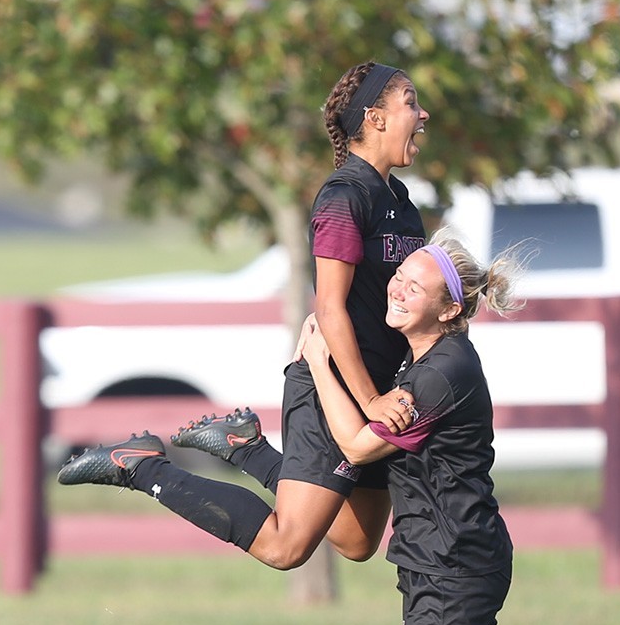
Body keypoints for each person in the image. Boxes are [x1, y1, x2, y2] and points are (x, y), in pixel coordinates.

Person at [58, 60, 430, 568]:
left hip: (378, 388)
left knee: (358, 541)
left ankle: (245, 447)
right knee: (285, 547)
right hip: (337, 389)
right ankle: (141, 466)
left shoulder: (400, 201)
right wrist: (369, 398)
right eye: (410, 102)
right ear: (376, 119)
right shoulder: (344, 197)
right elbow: (329, 307)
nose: (423, 113)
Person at [302, 228, 523, 625]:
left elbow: (357, 446)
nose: (397, 290)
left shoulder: (439, 374)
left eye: (415, 287)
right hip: (437, 560)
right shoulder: (425, 353)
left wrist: (318, 362)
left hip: (453, 564)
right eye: (399, 275)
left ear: (448, 310)